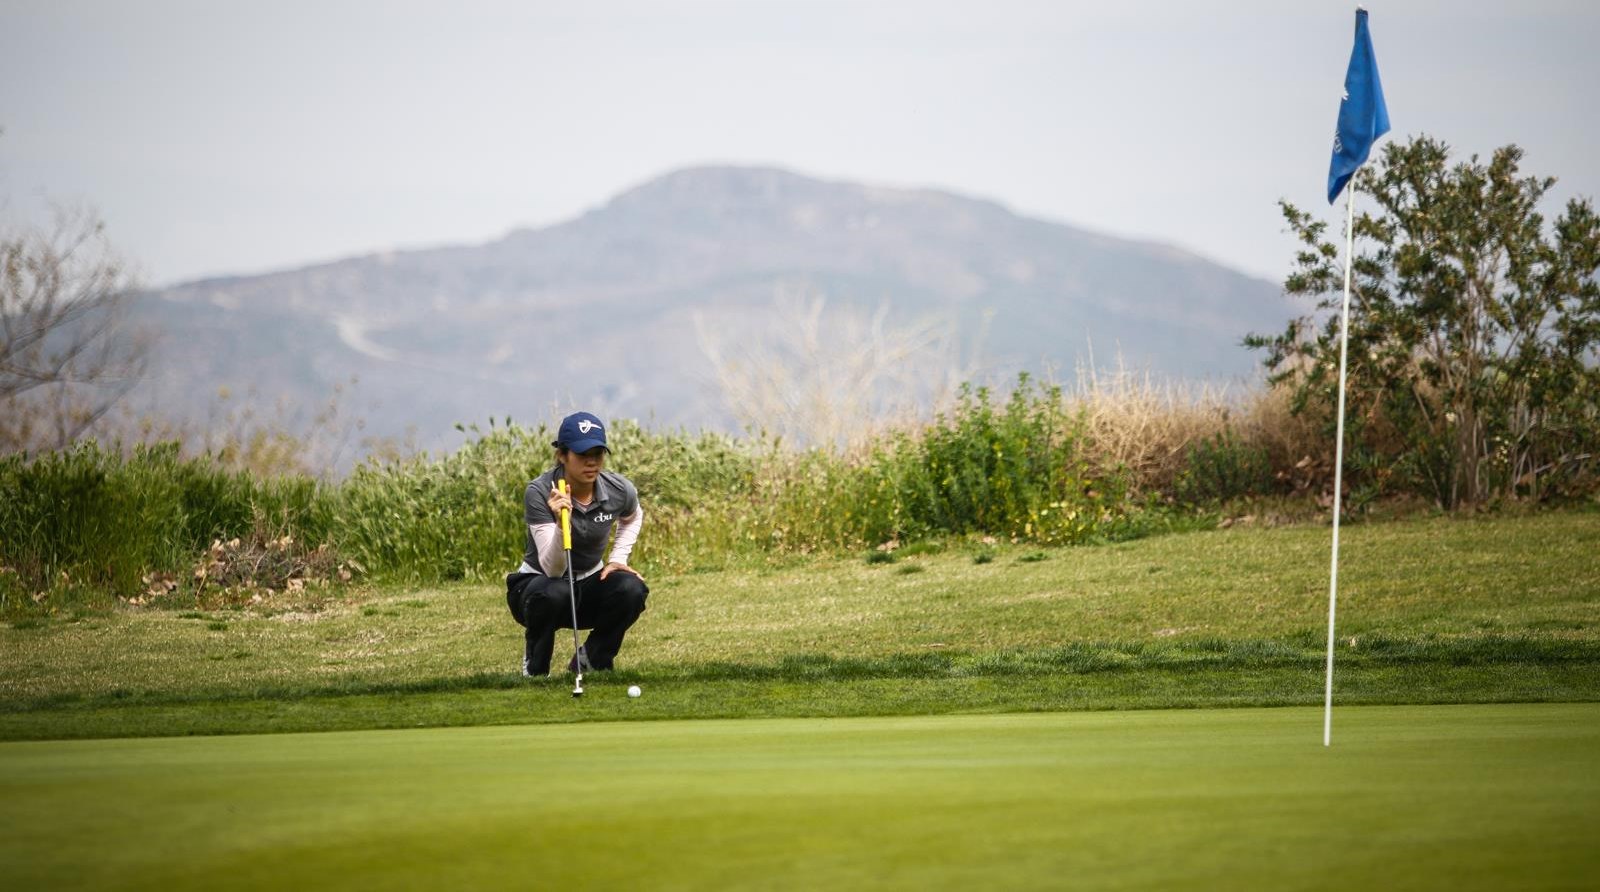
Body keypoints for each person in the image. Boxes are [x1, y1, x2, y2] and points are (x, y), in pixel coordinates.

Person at [506, 411, 648, 676]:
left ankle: (591, 661)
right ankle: (535, 670)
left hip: (587, 584)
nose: (592, 462)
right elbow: (552, 569)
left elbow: (633, 516)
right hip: (536, 588)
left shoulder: (619, 489)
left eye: (598, 453)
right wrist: (562, 524)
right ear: (562, 455)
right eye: (583, 455)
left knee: (632, 589)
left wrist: (618, 558)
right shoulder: (538, 491)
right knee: (554, 591)